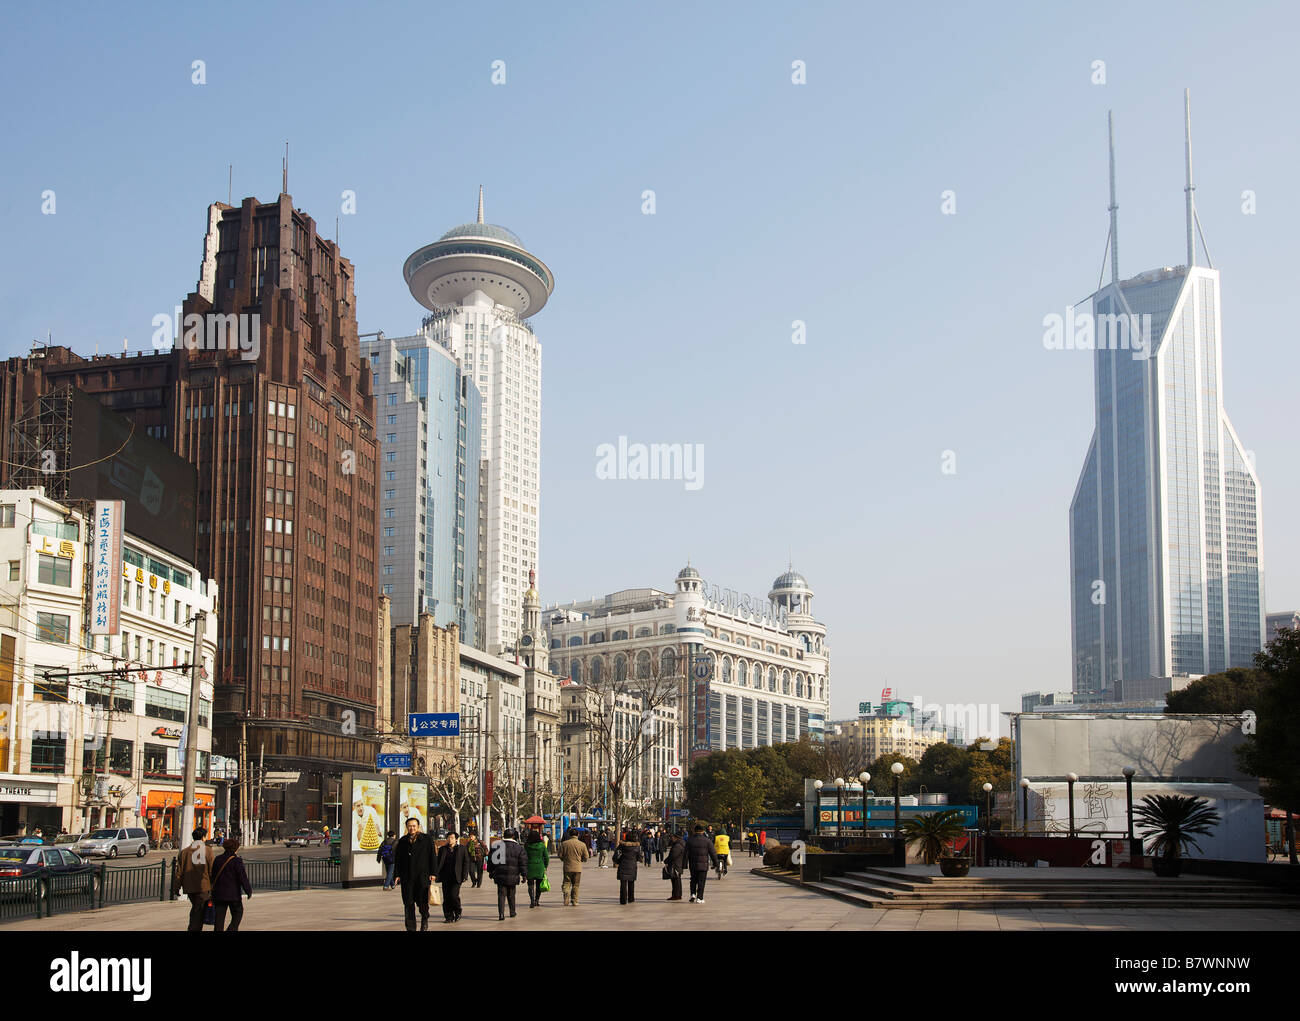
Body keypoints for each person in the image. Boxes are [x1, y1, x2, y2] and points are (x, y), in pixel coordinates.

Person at [171, 826, 218, 931]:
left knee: (197, 909)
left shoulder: (184, 852)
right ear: (203, 838)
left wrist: (176, 887)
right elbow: (212, 870)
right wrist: (214, 885)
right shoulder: (208, 850)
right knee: (198, 911)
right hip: (203, 887)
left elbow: (179, 872)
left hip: (189, 887)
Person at [393, 817, 436, 932]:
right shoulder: (402, 841)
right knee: (408, 903)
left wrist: (433, 872)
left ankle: (424, 919)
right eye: (409, 826)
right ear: (406, 827)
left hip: (422, 877)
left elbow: (432, 856)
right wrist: (397, 874)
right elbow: (398, 859)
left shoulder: (427, 839)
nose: (411, 828)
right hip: (407, 878)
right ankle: (410, 927)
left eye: (414, 826)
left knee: (422, 903)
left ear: (418, 827)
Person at [210, 837, 252, 931]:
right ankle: (232, 929)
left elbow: (212, 875)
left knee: (219, 918)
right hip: (233, 894)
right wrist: (248, 890)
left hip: (219, 893)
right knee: (238, 913)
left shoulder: (218, 859)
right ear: (236, 848)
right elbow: (242, 877)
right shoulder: (237, 861)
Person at [488, 828, 527, 921]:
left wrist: (491, 872)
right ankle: (512, 912)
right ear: (513, 836)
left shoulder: (496, 846)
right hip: (513, 875)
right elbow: (523, 862)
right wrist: (524, 875)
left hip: (500, 875)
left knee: (501, 895)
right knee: (511, 894)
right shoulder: (519, 848)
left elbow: (491, 861)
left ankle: (501, 914)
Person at [435, 830, 470, 923]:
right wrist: (434, 874)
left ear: (456, 839)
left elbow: (466, 862)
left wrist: (465, 875)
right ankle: (448, 916)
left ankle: (458, 911)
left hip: (456, 877)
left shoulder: (462, 849)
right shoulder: (443, 849)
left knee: (454, 896)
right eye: (448, 838)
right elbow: (438, 863)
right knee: (446, 897)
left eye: (452, 838)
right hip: (445, 876)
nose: (450, 840)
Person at [685, 825, 717, 904]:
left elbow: (686, 853)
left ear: (694, 831)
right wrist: (715, 863)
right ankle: (700, 897)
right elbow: (713, 853)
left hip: (693, 864)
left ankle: (692, 894)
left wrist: (684, 864)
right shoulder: (707, 841)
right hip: (703, 865)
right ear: (703, 831)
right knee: (701, 881)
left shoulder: (690, 840)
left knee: (693, 880)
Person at [557, 827, 589, 906]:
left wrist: (564, 859)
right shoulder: (582, 844)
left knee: (566, 882)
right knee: (576, 885)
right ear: (578, 835)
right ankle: (574, 901)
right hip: (577, 868)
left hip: (567, 867)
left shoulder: (564, 844)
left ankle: (566, 893)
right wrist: (582, 860)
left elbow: (560, 855)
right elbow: (586, 856)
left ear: (569, 834)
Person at [524, 828, 550, 908]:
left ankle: (532, 900)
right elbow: (546, 857)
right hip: (540, 866)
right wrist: (545, 866)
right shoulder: (542, 846)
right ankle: (537, 900)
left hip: (530, 866)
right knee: (539, 884)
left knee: (530, 884)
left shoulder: (527, 846)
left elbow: (524, 857)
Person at [613, 830, 640, 904]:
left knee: (623, 884)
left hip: (623, 865)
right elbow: (639, 857)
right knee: (631, 883)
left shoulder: (622, 846)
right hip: (632, 866)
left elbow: (616, 855)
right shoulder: (636, 847)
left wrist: (618, 862)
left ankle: (623, 900)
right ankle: (631, 898)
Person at [664, 830, 686, 901]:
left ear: (676, 837)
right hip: (678, 864)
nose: (672, 838)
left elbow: (673, 855)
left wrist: (666, 861)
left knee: (675, 881)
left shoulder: (677, 845)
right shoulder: (680, 844)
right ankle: (677, 895)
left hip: (675, 865)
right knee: (677, 880)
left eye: (673, 837)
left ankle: (676, 895)